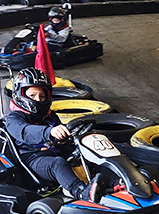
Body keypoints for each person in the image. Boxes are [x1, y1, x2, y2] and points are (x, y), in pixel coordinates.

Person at [5, 68, 102, 201]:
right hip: (32, 160)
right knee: (58, 164)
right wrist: (49, 132)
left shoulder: (50, 116)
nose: (38, 100)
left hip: (55, 152)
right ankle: (81, 192)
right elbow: (25, 132)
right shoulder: (14, 119)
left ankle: (115, 182)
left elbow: (63, 139)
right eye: (32, 95)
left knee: (88, 154)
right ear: (21, 95)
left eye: (42, 96)